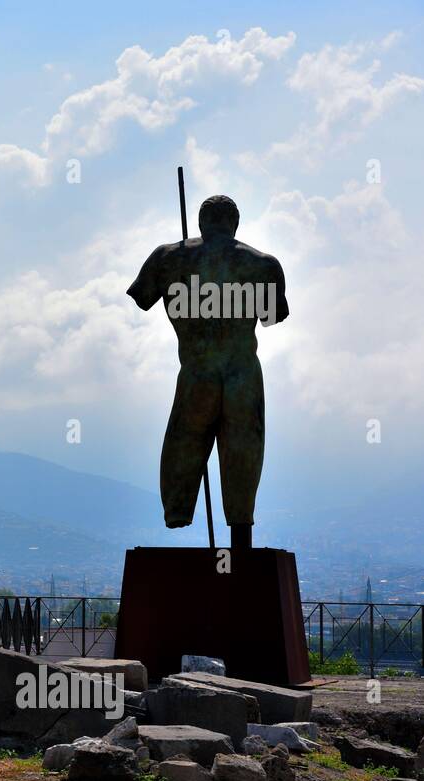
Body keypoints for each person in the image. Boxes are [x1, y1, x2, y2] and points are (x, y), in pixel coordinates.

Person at [126, 195, 289, 552]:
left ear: (201, 222)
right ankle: (241, 521)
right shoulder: (262, 264)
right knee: (243, 448)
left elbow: (142, 296)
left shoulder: (168, 258)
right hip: (241, 374)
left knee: (185, 439)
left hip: (197, 372)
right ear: (235, 224)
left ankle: (178, 510)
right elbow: (273, 317)